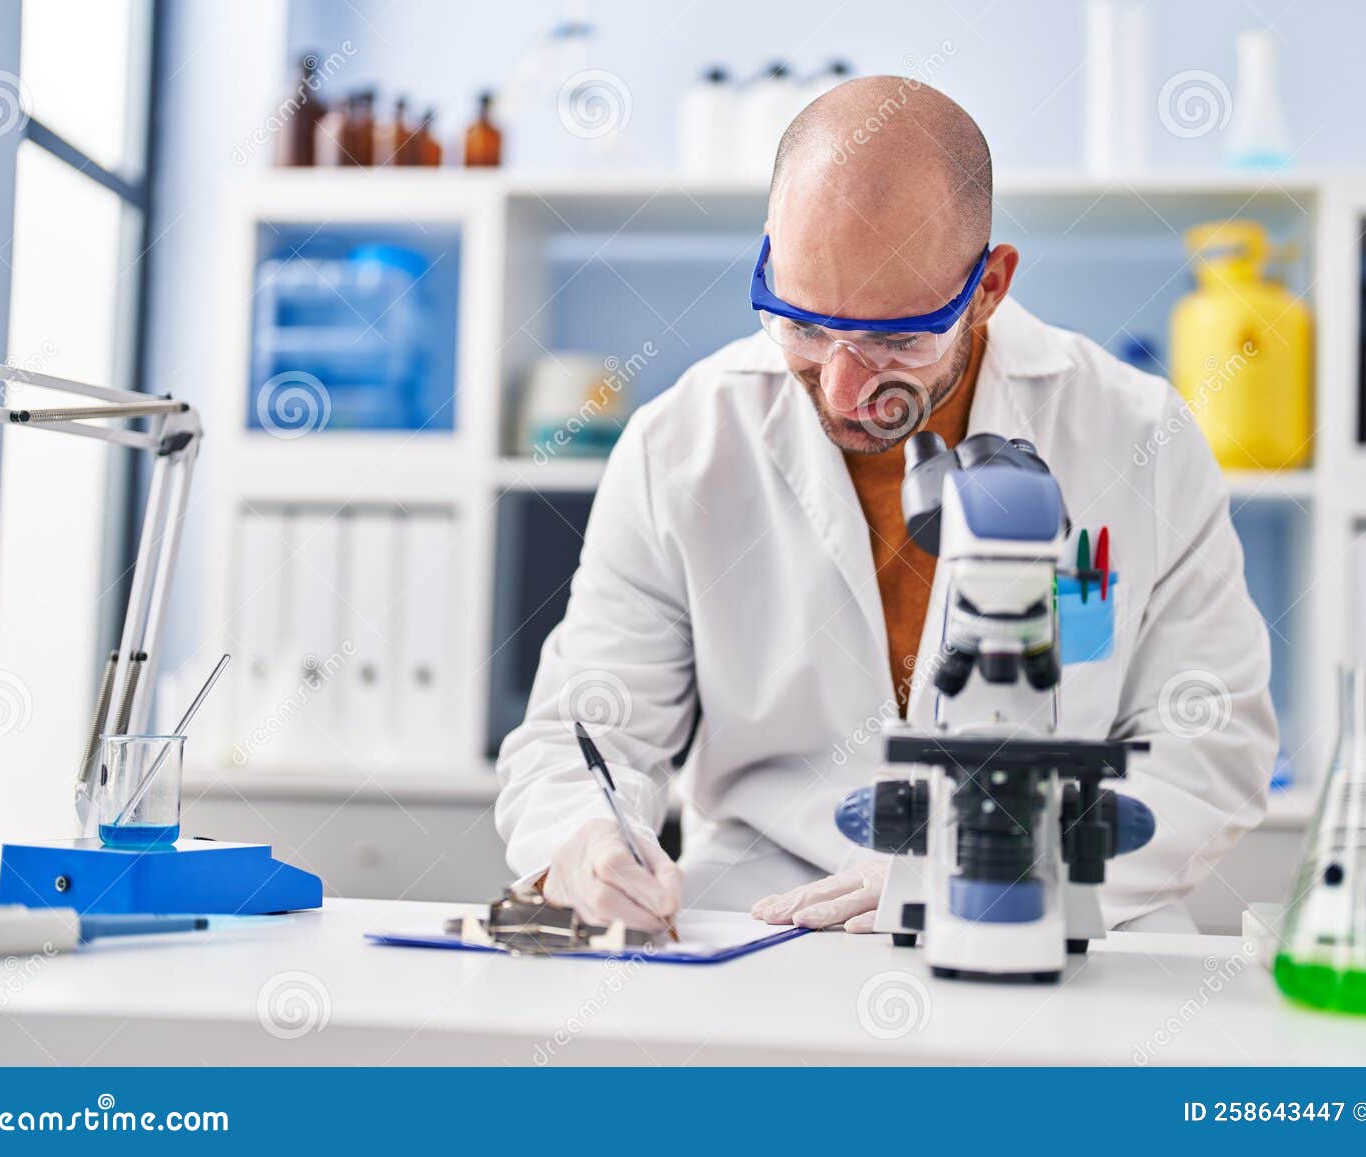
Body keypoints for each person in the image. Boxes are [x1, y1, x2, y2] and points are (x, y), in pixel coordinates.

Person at [495, 77, 1278, 935]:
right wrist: (583, 840)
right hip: (764, 918)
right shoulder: (679, 442)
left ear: (988, 287)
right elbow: (588, 731)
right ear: (766, 259)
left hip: (1058, 911)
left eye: (895, 339)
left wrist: (997, 861)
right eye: (800, 323)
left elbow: (1212, 743)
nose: (841, 386)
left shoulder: (1137, 434)